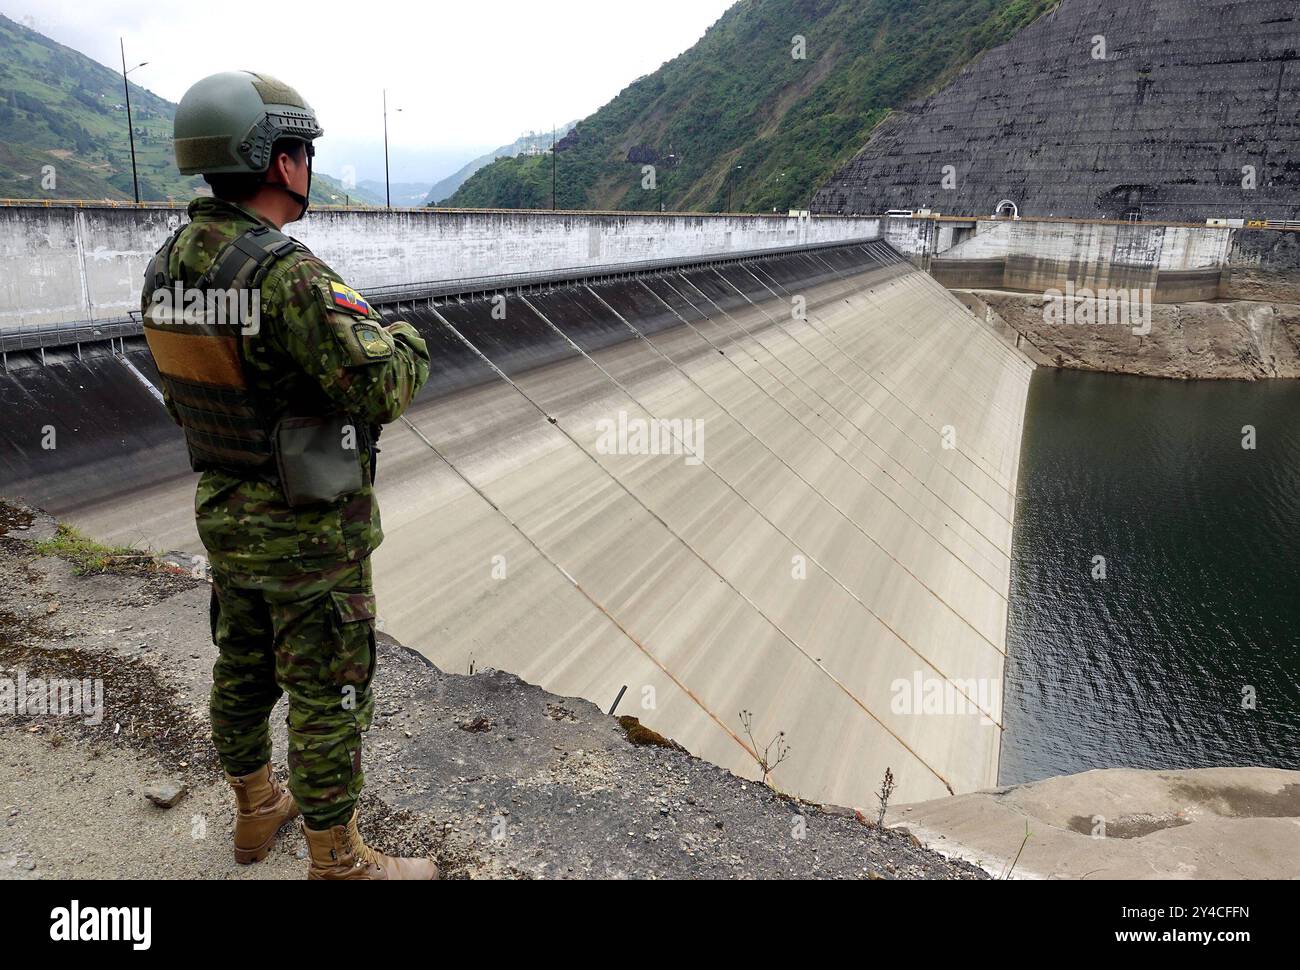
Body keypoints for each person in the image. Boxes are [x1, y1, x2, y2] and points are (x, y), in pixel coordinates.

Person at [140, 71, 434, 879]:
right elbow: (377, 387)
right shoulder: (286, 274)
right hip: (310, 536)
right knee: (329, 696)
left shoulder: (166, 267)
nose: (306, 163)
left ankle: (255, 808)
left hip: (227, 518)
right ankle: (340, 862)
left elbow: (186, 396)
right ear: (276, 159)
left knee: (241, 669)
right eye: (301, 149)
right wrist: (406, 340)